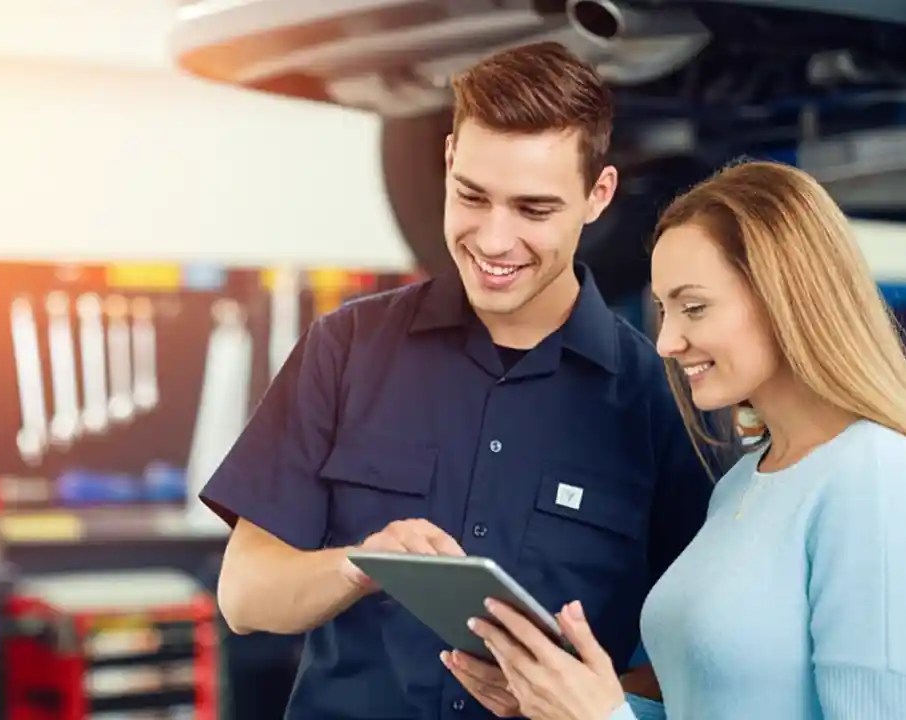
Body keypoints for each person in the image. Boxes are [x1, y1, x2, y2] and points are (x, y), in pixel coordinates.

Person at [197, 41, 715, 719]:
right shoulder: (346, 350)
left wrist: (582, 698)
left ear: (598, 195)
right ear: (447, 162)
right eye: (472, 196)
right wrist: (357, 563)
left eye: (533, 210)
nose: (494, 241)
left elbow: (701, 659)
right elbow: (243, 595)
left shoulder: (659, 401)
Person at [465, 159, 906, 719]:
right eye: (664, 310)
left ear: (788, 298)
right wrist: (566, 699)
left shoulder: (880, 477)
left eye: (694, 308)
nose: (666, 341)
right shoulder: (742, 484)